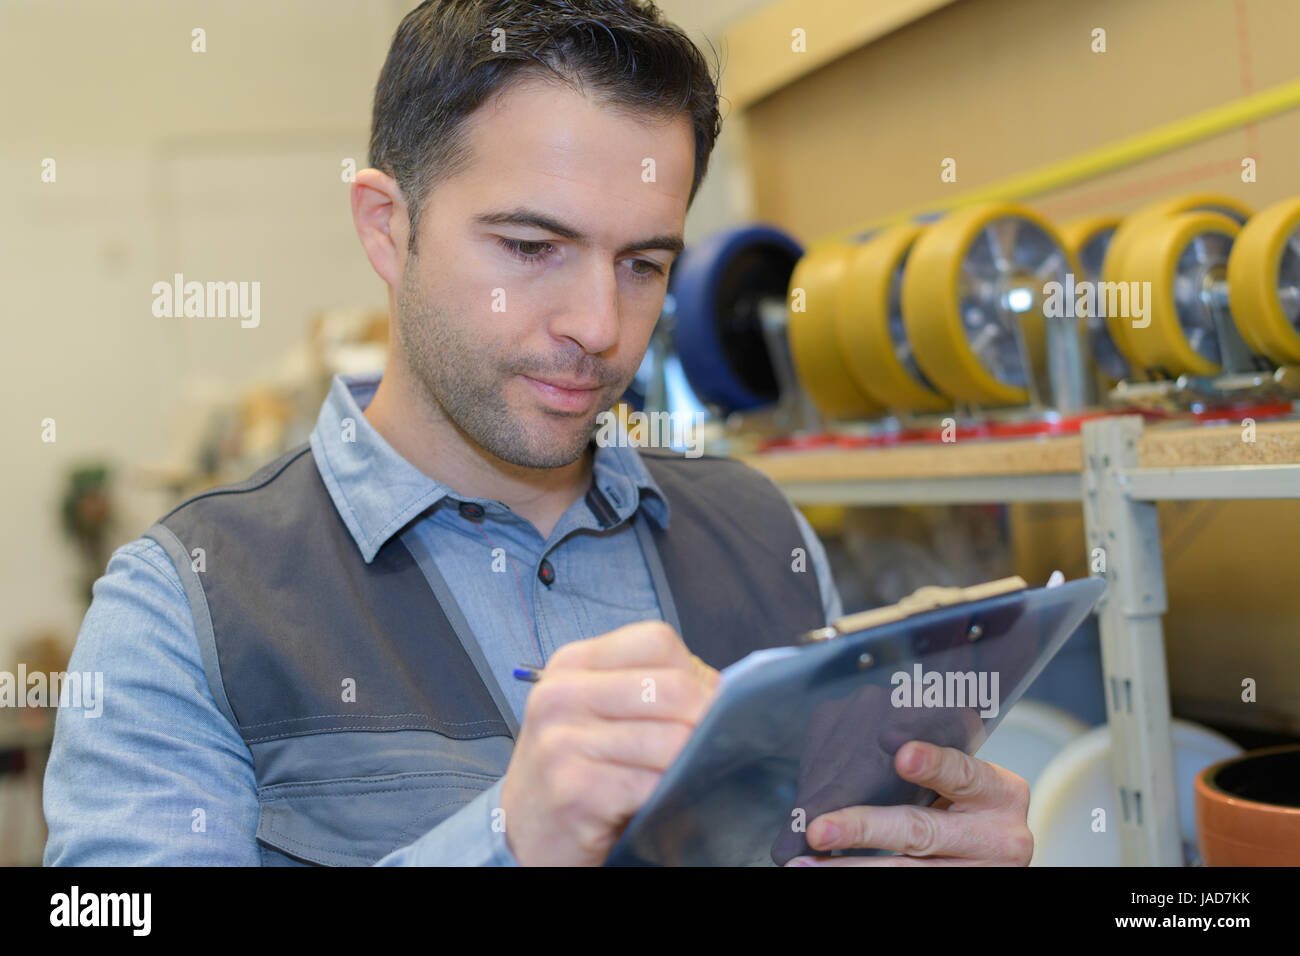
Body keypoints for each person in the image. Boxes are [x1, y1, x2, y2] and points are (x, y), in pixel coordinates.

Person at [43, 0, 1032, 867]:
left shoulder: (764, 537)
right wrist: (504, 842)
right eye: (530, 246)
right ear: (387, 226)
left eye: (643, 265)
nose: (598, 326)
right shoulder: (186, 610)